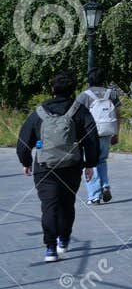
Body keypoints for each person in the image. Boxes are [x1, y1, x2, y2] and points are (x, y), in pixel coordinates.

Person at [15, 71, 101, 264]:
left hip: (44, 167)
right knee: (67, 204)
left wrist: (26, 162)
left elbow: (23, 141)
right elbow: (91, 139)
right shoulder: (80, 111)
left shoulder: (39, 112)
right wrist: (90, 164)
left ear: (52, 89)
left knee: (49, 207)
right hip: (72, 166)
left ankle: (50, 248)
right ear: (73, 90)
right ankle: (64, 238)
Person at [74, 68, 122, 205]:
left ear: (89, 80)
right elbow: (118, 114)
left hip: (89, 135)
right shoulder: (111, 94)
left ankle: (94, 196)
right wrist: (116, 133)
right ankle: (105, 185)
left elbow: (75, 116)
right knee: (101, 160)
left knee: (89, 163)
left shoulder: (84, 96)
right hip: (107, 132)